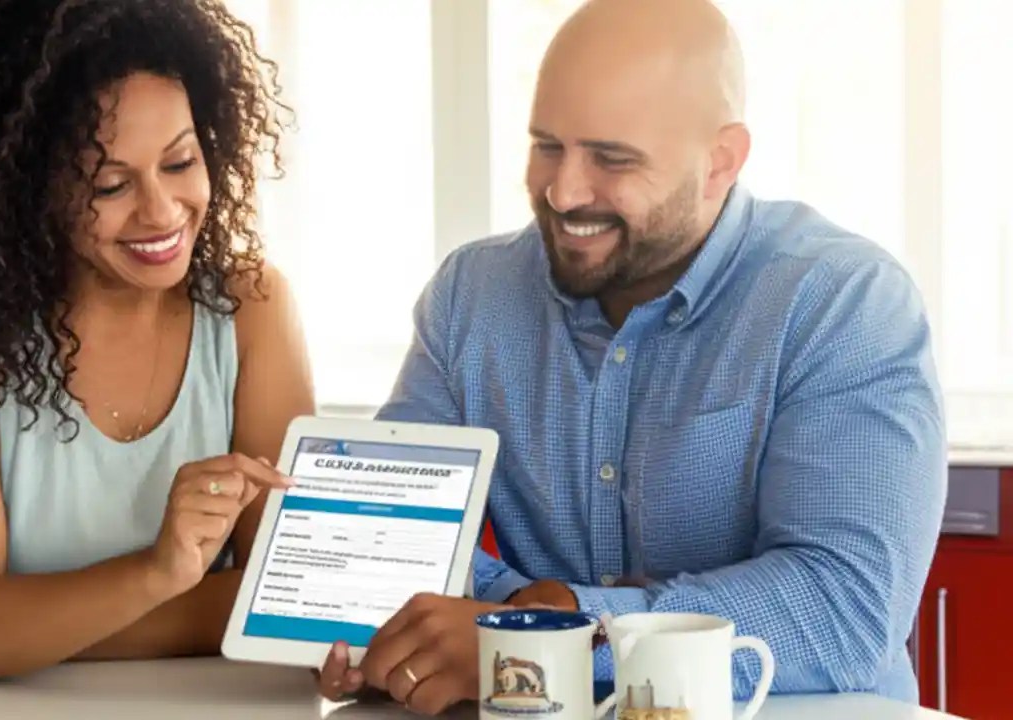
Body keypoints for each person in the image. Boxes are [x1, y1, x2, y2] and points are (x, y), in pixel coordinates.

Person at [319, 0, 945, 714]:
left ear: (720, 162)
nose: (563, 191)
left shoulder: (842, 302)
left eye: (612, 159)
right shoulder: (472, 296)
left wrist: (553, 635)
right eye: (547, 146)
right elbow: (394, 543)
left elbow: (843, 611)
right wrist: (518, 623)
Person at [0, 0, 313, 679]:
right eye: (109, 184)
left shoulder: (249, 306)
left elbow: (290, 602)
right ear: (26, 188)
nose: (162, 211)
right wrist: (159, 575)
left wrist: (9, 631)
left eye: (179, 162)